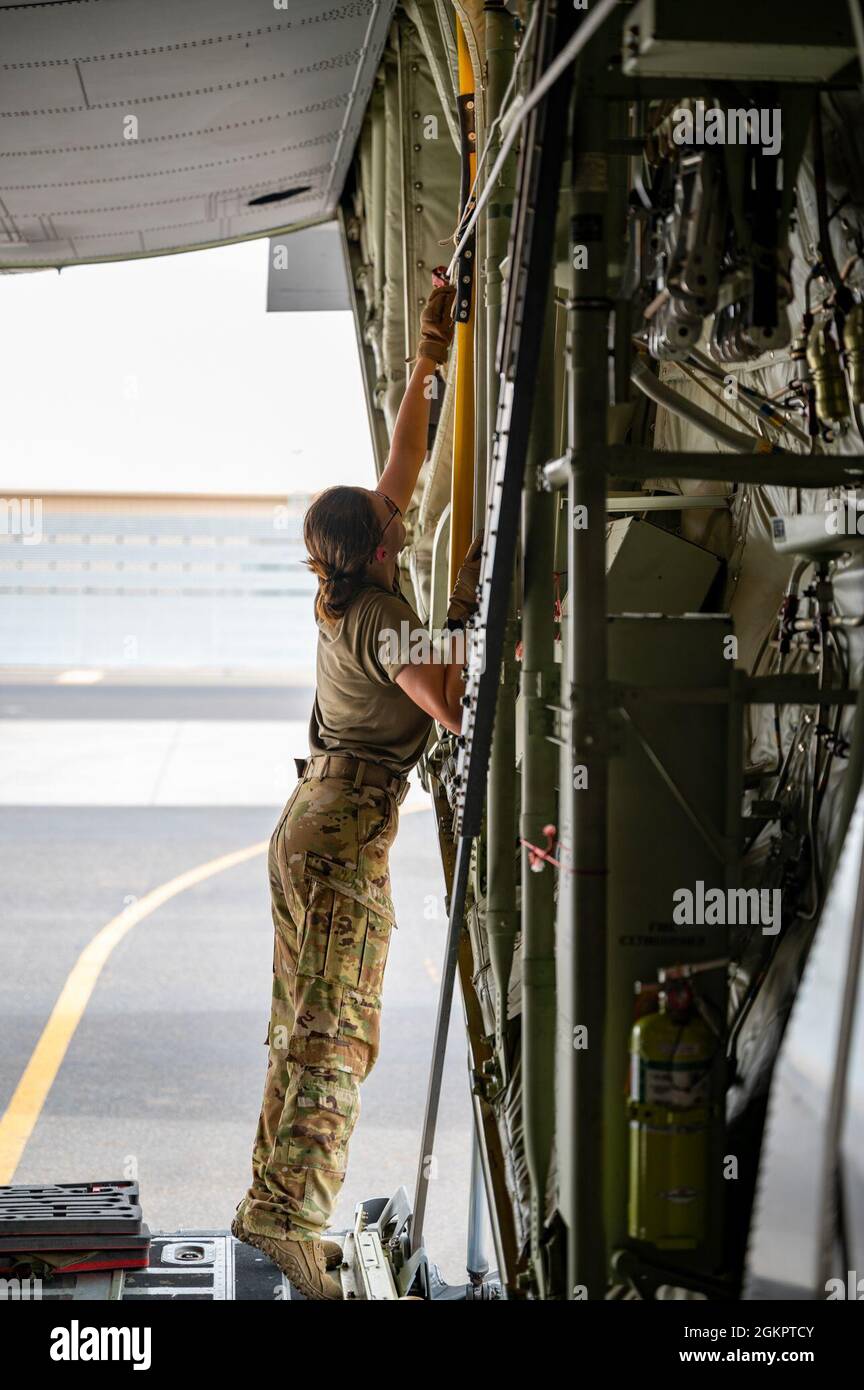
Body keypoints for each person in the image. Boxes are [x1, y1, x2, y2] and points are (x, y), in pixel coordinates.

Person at [232, 277, 483, 1299]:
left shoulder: (349, 584)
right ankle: (293, 1221)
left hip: (312, 824)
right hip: (339, 842)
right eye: (390, 525)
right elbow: (454, 701)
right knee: (336, 1030)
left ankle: (270, 1204)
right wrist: (478, 604)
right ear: (374, 551)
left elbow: (407, 460)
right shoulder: (380, 619)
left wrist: (430, 351)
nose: (400, 518)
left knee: (304, 1020)